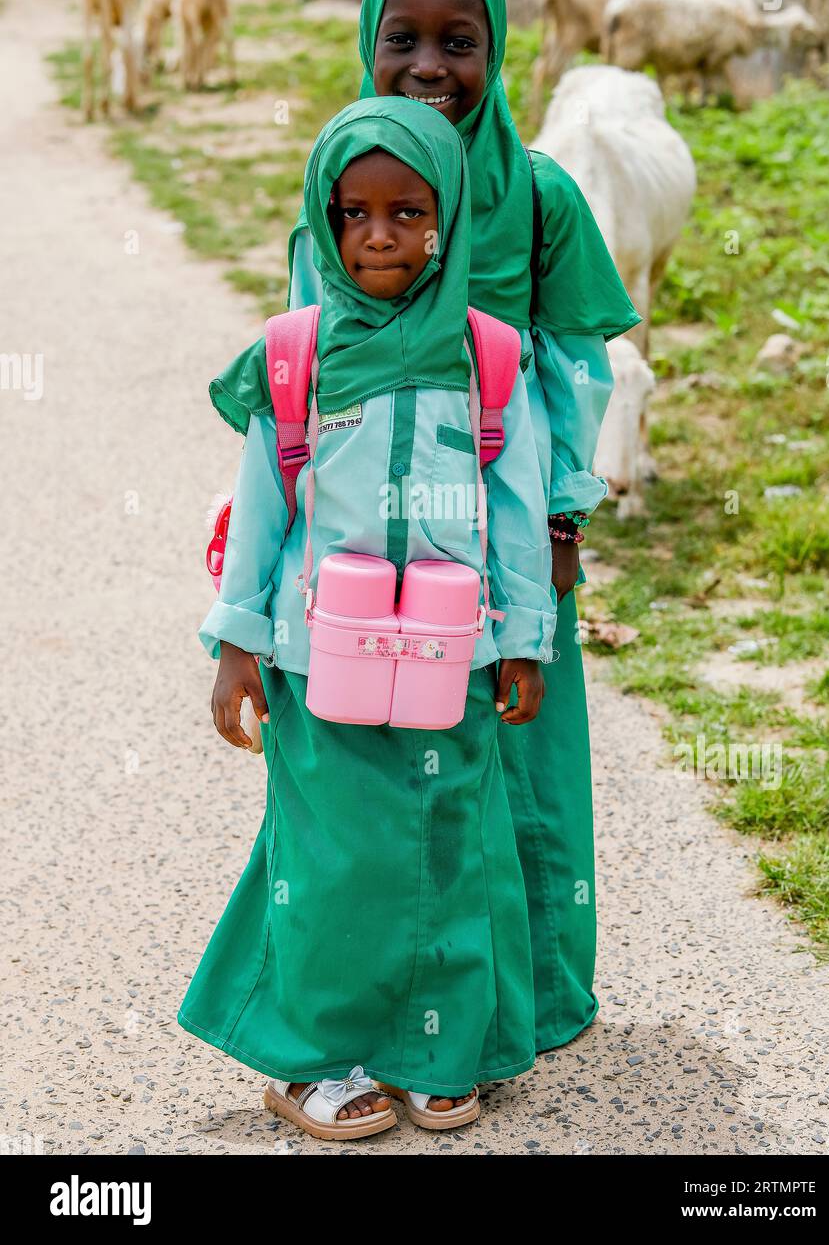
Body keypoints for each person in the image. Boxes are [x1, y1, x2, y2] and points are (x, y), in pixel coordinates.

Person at [286, 0, 642, 1053]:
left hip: (510, 533)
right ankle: (411, 1007)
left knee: (521, 756)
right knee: (387, 771)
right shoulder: (349, 178)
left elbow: (581, 367)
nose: (429, 64)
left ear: (499, 51)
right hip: (374, 550)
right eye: (402, 37)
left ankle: (534, 992)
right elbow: (308, 361)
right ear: (365, 41)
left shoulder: (536, 196)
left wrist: (561, 514)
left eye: (460, 39)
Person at [177, 95, 558, 1141]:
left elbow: (518, 506)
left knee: (449, 844)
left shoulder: (486, 355)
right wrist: (236, 645)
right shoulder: (294, 354)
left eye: (408, 211)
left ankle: (437, 1052)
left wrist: (523, 637)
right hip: (315, 664)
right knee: (333, 859)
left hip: (451, 662)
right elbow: (259, 509)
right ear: (324, 219)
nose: (379, 234)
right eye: (352, 212)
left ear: (451, 218)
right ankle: (311, 1060)